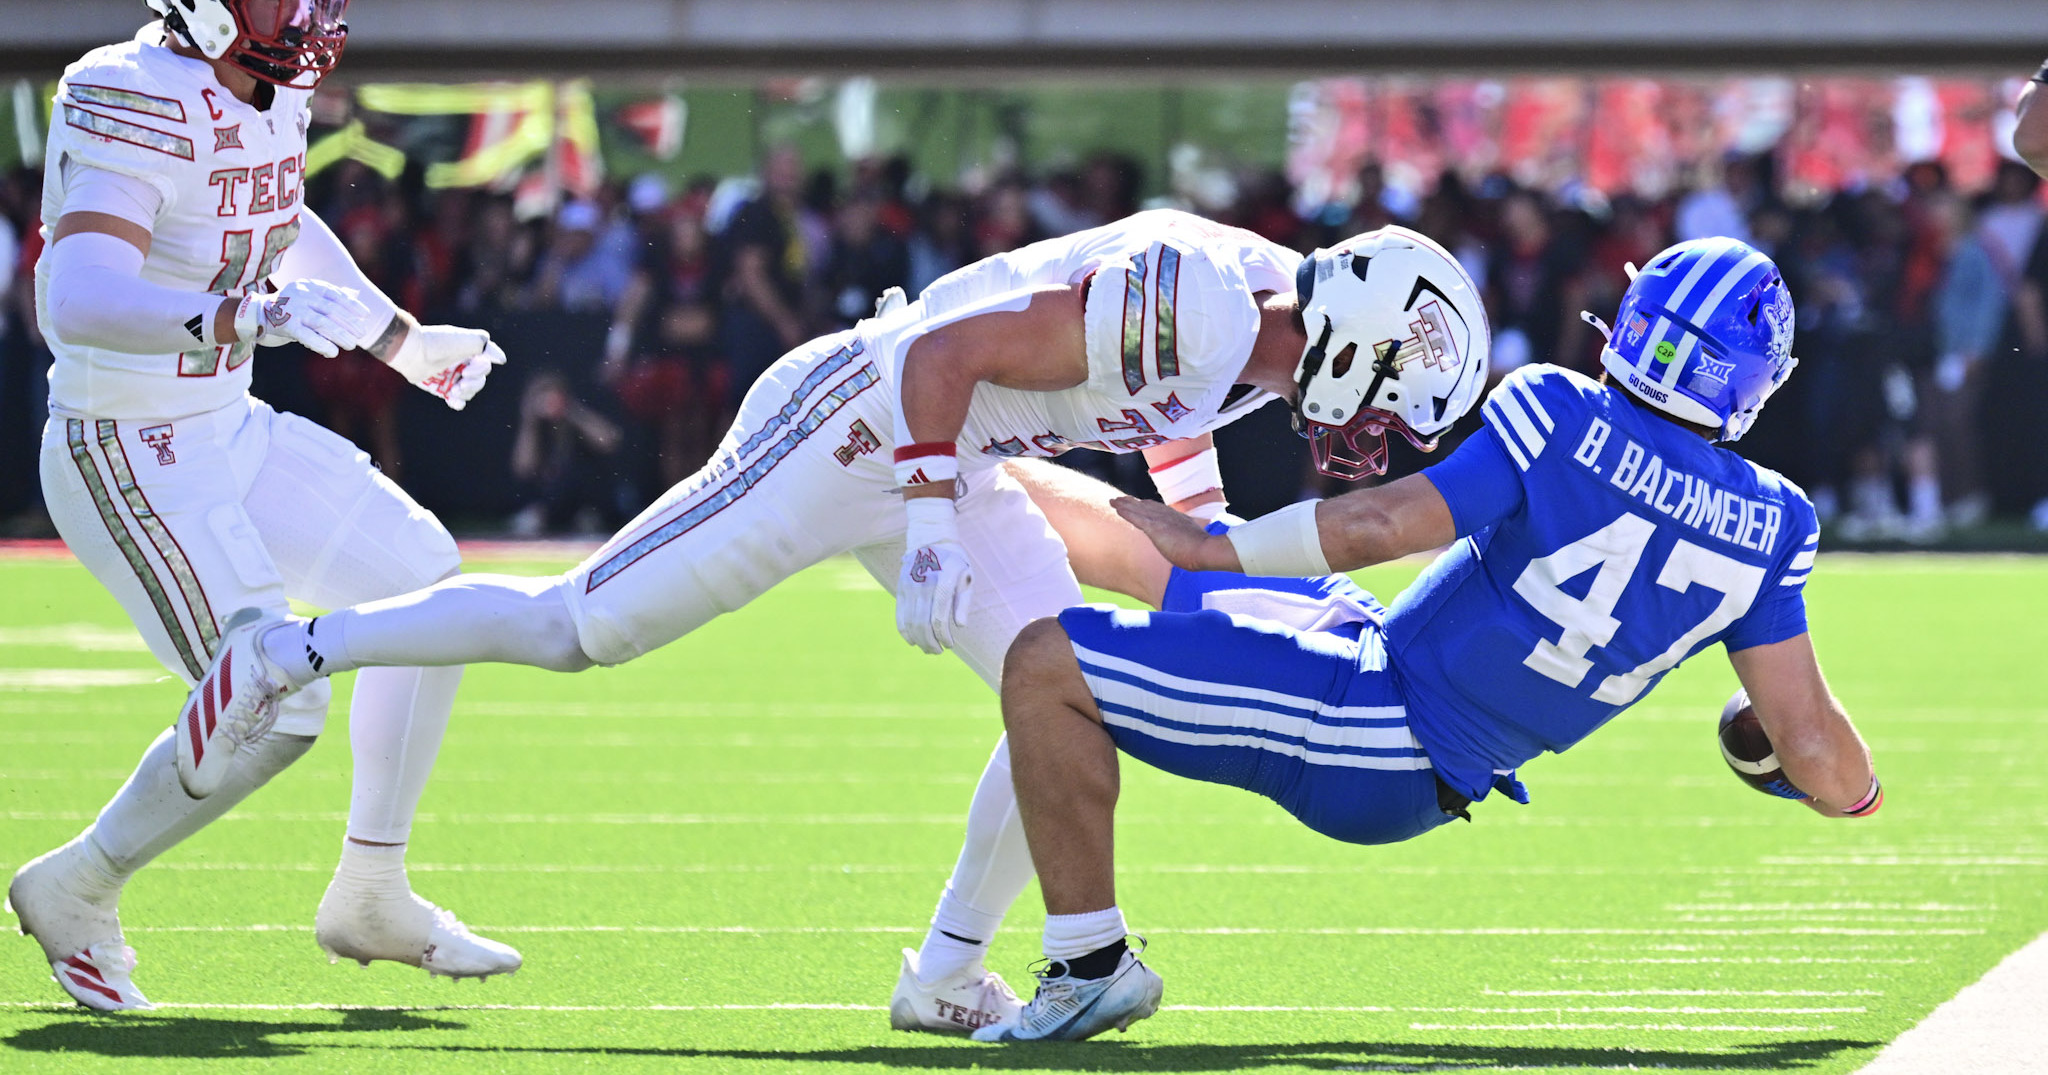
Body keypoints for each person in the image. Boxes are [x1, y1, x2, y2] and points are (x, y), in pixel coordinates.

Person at [166, 214, 1489, 1029]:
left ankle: (950, 971)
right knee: (584, 625)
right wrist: (919, 518)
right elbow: (943, 354)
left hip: (957, 456)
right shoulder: (1206, 293)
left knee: (1071, 681)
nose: (1372, 433)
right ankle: (297, 645)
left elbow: (1181, 471)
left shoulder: (1260, 331)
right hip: (865, 416)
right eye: (1387, 398)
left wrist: (1235, 570)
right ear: (1360, 329)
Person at [977, 237, 1881, 1042]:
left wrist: (1215, 539)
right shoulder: (1776, 523)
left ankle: (1089, 965)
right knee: (1162, 569)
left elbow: (1383, 525)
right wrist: (1858, 796)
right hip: (1406, 707)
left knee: (1046, 664)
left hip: (1376, 725)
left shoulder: (1563, 412)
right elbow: (1811, 748)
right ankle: (961, 467)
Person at [9, 0, 517, 1011]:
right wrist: (248, 313)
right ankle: (79, 882)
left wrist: (400, 341)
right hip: (126, 442)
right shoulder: (129, 91)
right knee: (271, 694)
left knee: (421, 578)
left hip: (222, 423)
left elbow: (276, 218)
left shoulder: (267, 86)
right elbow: (73, 297)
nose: (313, 9)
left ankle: (371, 888)